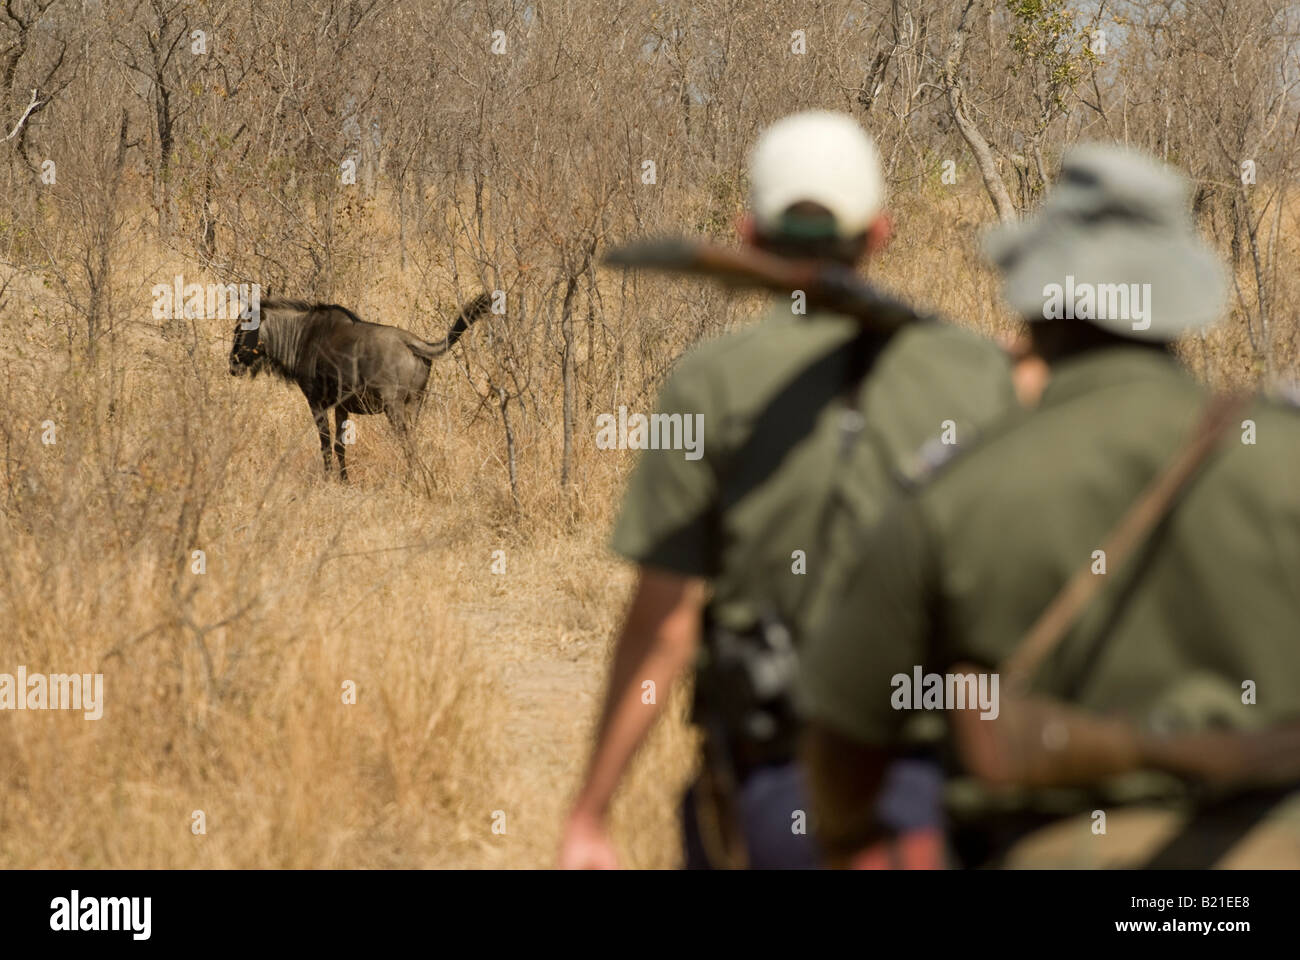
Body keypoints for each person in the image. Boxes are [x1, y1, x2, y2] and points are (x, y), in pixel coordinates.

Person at [797, 143, 1300, 869]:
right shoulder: (1283, 456)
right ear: (1183, 298)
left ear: (1034, 296)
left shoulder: (956, 492)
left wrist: (851, 837)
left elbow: (844, 734)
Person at [559, 111, 1017, 869]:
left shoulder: (711, 380)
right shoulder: (975, 373)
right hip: (936, 795)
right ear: (881, 233)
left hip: (773, 790)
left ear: (747, 233)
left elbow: (665, 625)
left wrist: (590, 811)